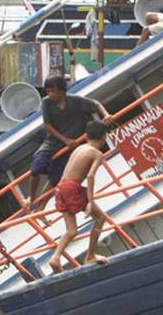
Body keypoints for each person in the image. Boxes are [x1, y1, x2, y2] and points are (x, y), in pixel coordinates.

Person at [28, 76, 114, 209]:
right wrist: (65, 140)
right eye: (48, 91)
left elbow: (96, 104)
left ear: (61, 90)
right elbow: (46, 125)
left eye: (52, 91)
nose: (50, 94)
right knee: (36, 167)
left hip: (71, 145)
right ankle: (31, 198)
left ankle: (41, 207)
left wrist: (106, 115)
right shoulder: (46, 102)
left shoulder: (76, 101)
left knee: (56, 178)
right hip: (53, 142)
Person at [49, 121, 110, 272]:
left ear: (87, 136)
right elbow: (90, 176)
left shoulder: (80, 148)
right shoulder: (97, 153)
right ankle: (90, 256)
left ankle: (55, 258)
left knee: (72, 231)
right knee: (101, 218)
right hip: (71, 187)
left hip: (61, 187)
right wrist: (90, 200)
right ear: (103, 138)